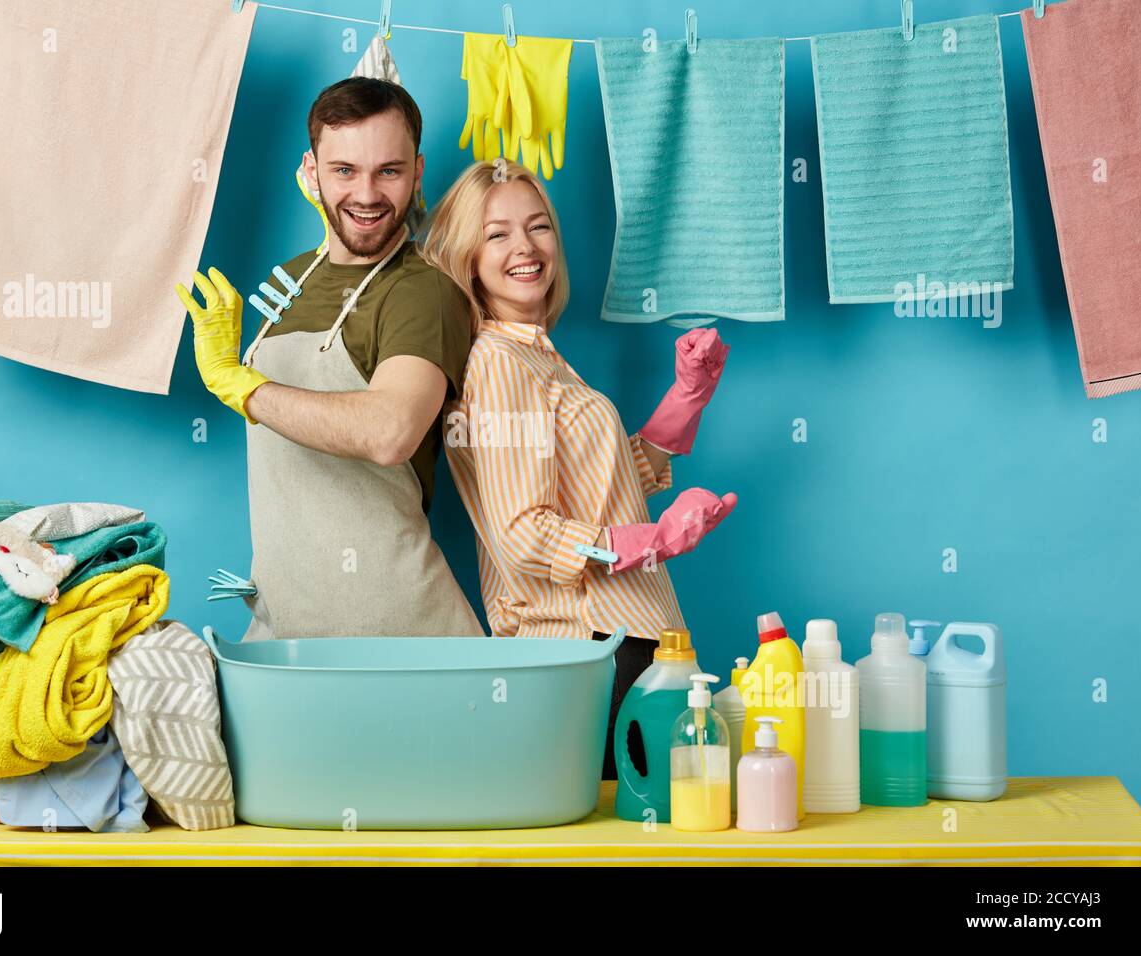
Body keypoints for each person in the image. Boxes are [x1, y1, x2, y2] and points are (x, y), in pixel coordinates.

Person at [421, 159, 737, 778]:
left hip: (626, 642)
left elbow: (607, 483)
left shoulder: (540, 357)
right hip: (591, 650)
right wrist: (653, 540)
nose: (525, 247)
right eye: (497, 234)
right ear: (468, 260)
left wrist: (688, 395)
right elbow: (522, 535)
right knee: (643, 823)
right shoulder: (499, 363)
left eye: (538, 226)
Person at [176, 78, 483, 641]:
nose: (366, 194)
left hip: (394, 630)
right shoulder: (292, 279)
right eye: (344, 170)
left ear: (417, 173)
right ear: (311, 171)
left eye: (388, 171)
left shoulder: (422, 290)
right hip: (284, 624)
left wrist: (242, 387)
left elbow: (389, 432)